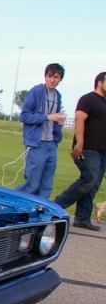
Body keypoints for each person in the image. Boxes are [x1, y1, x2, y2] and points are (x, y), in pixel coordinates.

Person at [53, 71, 106, 231]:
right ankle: (55, 207)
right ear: (100, 83)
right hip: (88, 149)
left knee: (94, 184)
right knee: (88, 179)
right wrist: (80, 143)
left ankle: (82, 218)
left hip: (102, 151)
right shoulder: (88, 99)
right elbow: (79, 119)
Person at [16, 63, 66, 199]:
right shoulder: (37, 91)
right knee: (32, 183)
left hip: (51, 143)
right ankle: (14, 203)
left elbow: (54, 119)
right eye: (50, 76)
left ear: (60, 79)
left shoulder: (58, 96)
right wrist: (47, 117)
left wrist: (59, 123)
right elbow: (24, 116)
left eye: (56, 77)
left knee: (47, 184)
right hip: (37, 143)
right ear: (45, 76)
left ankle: (39, 212)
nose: (52, 80)